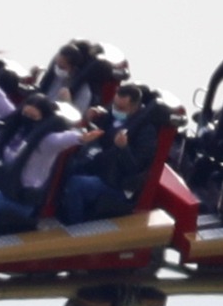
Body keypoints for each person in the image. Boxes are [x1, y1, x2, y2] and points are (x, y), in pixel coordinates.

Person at [0, 72, 91, 238]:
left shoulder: (45, 141)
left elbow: (62, 139)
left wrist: (80, 137)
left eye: (33, 116)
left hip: (18, 197)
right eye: (26, 114)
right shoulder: (16, 125)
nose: (27, 119)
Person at [57, 82, 154, 223]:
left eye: (121, 108)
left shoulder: (146, 132)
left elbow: (135, 167)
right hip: (100, 165)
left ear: (134, 107)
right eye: (114, 105)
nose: (115, 109)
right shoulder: (112, 113)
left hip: (116, 182)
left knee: (77, 184)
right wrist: (93, 116)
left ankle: (73, 225)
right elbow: (102, 132)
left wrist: (124, 148)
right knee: (68, 165)